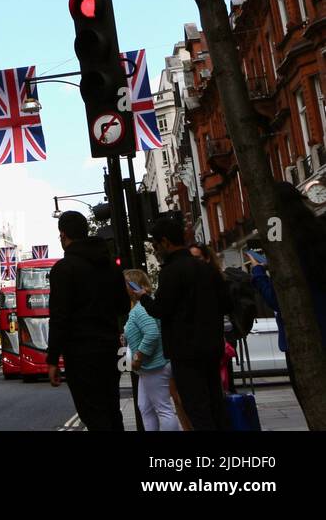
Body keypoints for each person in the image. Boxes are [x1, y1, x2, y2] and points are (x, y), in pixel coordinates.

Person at [140, 215, 228, 430]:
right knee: (216, 403)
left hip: (185, 351)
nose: (155, 249)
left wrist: (143, 297)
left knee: (196, 407)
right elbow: (227, 304)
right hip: (212, 347)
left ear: (165, 242)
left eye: (155, 244)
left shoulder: (171, 272)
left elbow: (160, 310)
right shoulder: (207, 269)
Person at [46, 211, 129, 432]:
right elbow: (123, 306)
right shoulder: (111, 266)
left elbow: (59, 318)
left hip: (81, 354)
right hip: (111, 350)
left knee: (93, 414)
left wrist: (53, 358)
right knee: (112, 410)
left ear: (63, 235)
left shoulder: (64, 269)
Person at [246, 182, 326, 407]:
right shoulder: (318, 230)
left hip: (302, 335)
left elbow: (278, 299)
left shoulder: (282, 239)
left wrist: (259, 272)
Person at [123, 269, 180, 431]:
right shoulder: (142, 306)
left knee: (164, 409)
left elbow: (152, 333)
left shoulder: (141, 308)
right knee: (145, 407)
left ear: (133, 286)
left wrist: (139, 356)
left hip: (154, 364)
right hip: (149, 367)